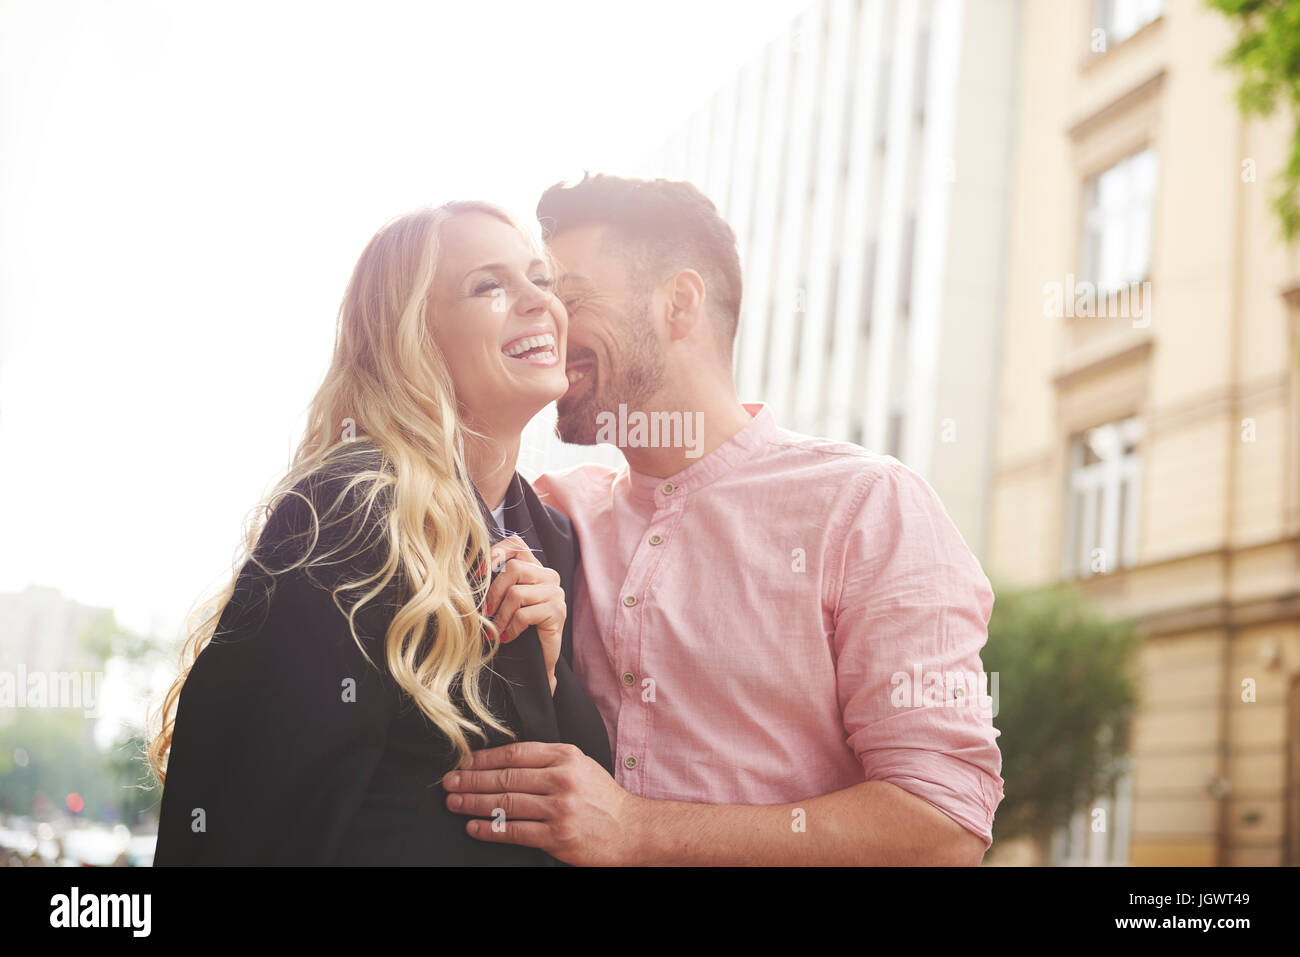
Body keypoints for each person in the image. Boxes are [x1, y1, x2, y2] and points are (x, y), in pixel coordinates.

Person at [441, 173, 1004, 865]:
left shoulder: (867, 508)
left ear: (679, 304)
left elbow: (941, 824)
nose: (549, 321)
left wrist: (635, 828)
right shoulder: (552, 512)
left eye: (571, 296)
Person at [149, 200, 612, 866]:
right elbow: (250, 806)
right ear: (413, 337)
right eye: (490, 285)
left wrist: (544, 666)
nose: (540, 302)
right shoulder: (353, 509)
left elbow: (573, 804)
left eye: (541, 278)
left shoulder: (553, 541)